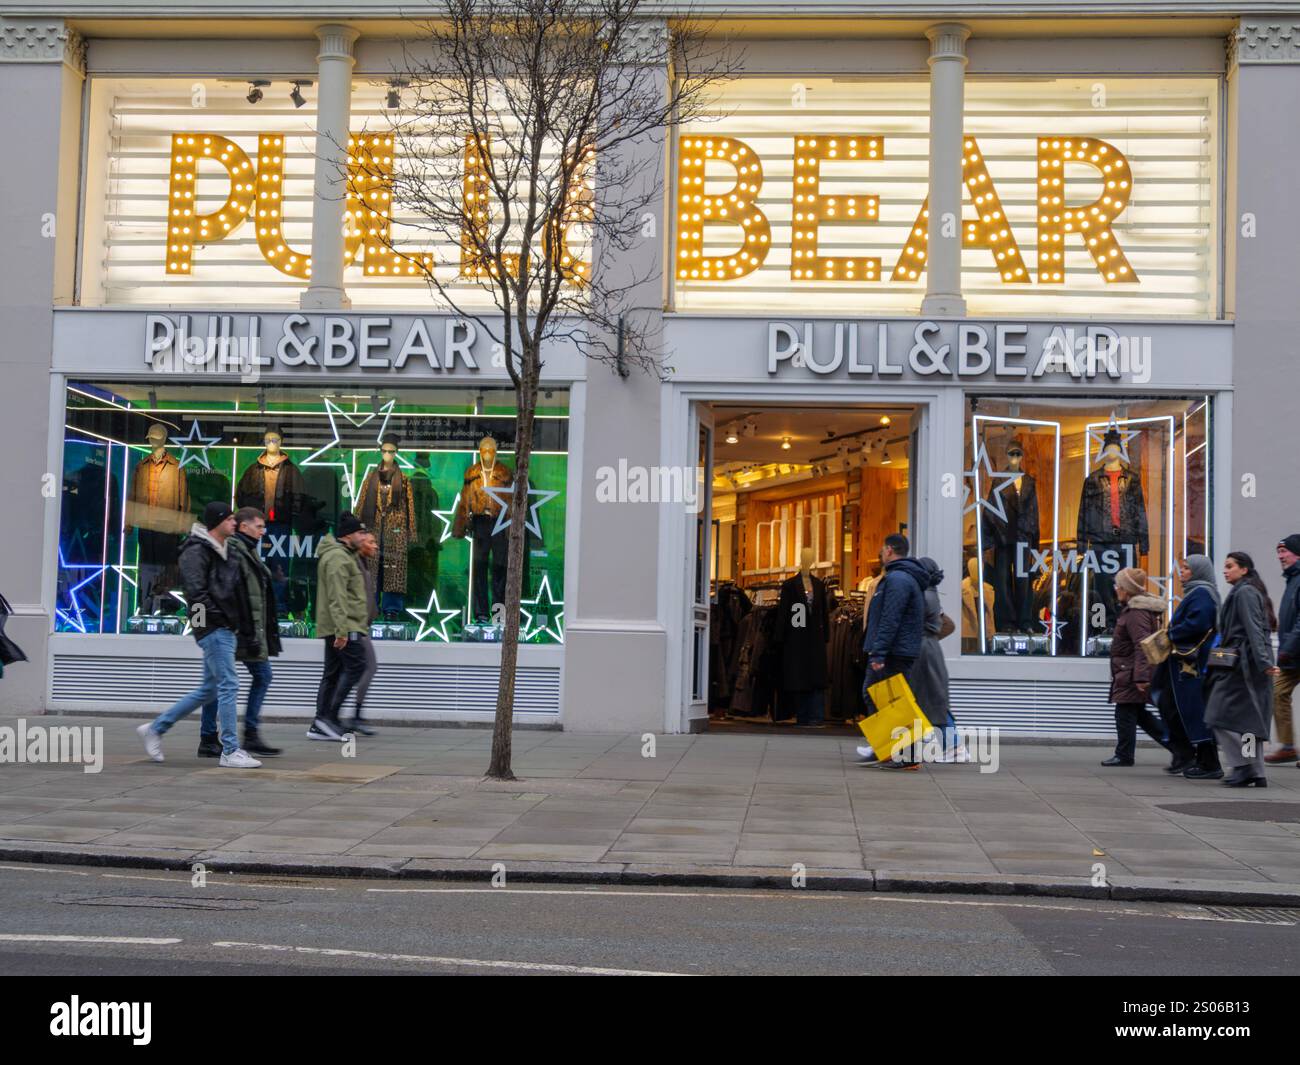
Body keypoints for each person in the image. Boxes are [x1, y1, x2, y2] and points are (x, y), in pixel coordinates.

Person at [136, 501, 262, 769]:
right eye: (229, 519)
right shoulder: (196, 551)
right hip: (215, 628)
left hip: (225, 627)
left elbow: (233, 591)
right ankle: (230, 749)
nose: (234, 523)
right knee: (229, 684)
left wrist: (241, 626)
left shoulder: (225, 549)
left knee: (210, 688)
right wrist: (207, 626)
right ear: (217, 522)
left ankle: (156, 728)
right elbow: (196, 594)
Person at [196, 507, 282, 757]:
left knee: (219, 683)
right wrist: (204, 626)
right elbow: (223, 591)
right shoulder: (234, 550)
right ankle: (220, 737)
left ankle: (214, 737)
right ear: (244, 527)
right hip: (233, 628)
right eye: (259, 526)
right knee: (220, 683)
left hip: (243, 628)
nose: (263, 531)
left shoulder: (248, 551)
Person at [1205, 550, 1278, 788]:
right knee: (1248, 721)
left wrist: (1264, 662)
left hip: (1243, 665)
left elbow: (1254, 628)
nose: (1225, 570)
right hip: (1246, 663)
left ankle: (1243, 766)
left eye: (1230, 566)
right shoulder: (1246, 591)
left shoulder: (1245, 592)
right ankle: (1256, 771)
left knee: (1217, 715)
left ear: (1244, 569)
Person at [856, 533, 928, 771]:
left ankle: (904, 754)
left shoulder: (898, 579)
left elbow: (890, 618)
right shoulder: (900, 577)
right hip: (897, 649)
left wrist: (878, 653)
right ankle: (890, 749)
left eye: (881, 549)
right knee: (887, 699)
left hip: (893, 652)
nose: (880, 553)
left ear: (888, 550)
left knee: (889, 701)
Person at [1151, 556, 1223, 779]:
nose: (1181, 572)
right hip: (1187, 664)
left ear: (1199, 571)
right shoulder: (1198, 592)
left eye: (1186, 569)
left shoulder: (1201, 593)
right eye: (1181, 568)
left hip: (1190, 665)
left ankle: (1208, 762)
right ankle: (1193, 757)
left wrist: (1172, 633)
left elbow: (1199, 622)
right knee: (1179, 708)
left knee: (1191, 710)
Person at [311, 511, 371, 741]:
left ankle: (323, 721)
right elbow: (337, 597)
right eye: (360, 532)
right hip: (344, 626)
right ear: (347, 536)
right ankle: (326, 717)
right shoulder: (338, 557)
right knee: (356, 666)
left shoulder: (346, 555)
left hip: (343, 625)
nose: (364, 537)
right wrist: (342, 631)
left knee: (334, 672)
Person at [1101, 568, 1170, 767]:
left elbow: (1142, 645)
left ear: (1126, 589)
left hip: (1130, 671)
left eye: (1118, 586)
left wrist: (1141, 677)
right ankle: (1177, 748)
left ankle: (1124, 754)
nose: (1116, 589)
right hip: (1129, 669)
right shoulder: (1136, 610)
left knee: (1125, 713)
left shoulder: (1136, 613)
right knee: (1138, 714)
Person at [906, 557, 968, 762]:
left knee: (934, 703)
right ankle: (950, 746)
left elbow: (945, 625)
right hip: (928, 651)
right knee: (934, 702)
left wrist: (928, 638)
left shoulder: (923, 594)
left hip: (923, 653)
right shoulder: (930, 593)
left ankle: (953, 746)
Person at [1265, 534, 1300, 765]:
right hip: (1294, 652)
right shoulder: (1292, 578)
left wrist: (1287, 646)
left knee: (1278, 692)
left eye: (1283, 551)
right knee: (1278, 693)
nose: (1280, 556)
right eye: (1278, 552)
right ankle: (1287, 746)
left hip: (1293, 650)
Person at [343, 530, 381, 736]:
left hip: (360, 625)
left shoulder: (364, 564)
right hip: (354, 626)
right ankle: (352, 715)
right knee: (368, 666)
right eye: (371, 542)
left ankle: (342, 714)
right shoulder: (354, 564)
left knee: (352, 669)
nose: (375, 546)